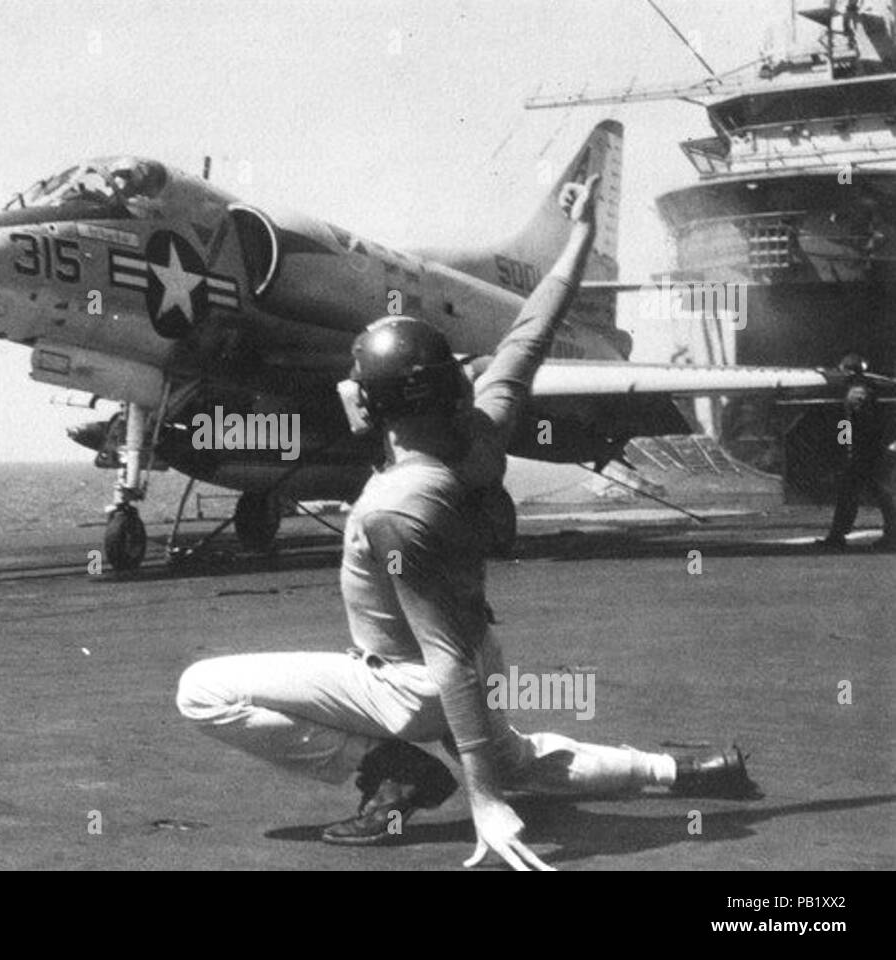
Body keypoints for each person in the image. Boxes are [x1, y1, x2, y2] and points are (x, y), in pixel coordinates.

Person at [176, 175, 755, 871]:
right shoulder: (481, 432)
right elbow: (531, 333)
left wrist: (482, 798)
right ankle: (686, 773)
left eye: (355, 380)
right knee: (524, 759)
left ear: (375, 403)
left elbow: (442, 659)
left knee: (202, 690)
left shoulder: (397, 507)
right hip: (481, 654)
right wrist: (579, 243)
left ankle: (392, 769)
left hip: (413, 682)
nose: (345, 387)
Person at [818, 354, 895, 552]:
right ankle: (890, 535)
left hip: (866, 452)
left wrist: (848, 449)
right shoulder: (875, 387)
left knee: (856, 494)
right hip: (874, 450)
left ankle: (838, 536)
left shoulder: (856, 392)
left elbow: (850, 425)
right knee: (879, 494)